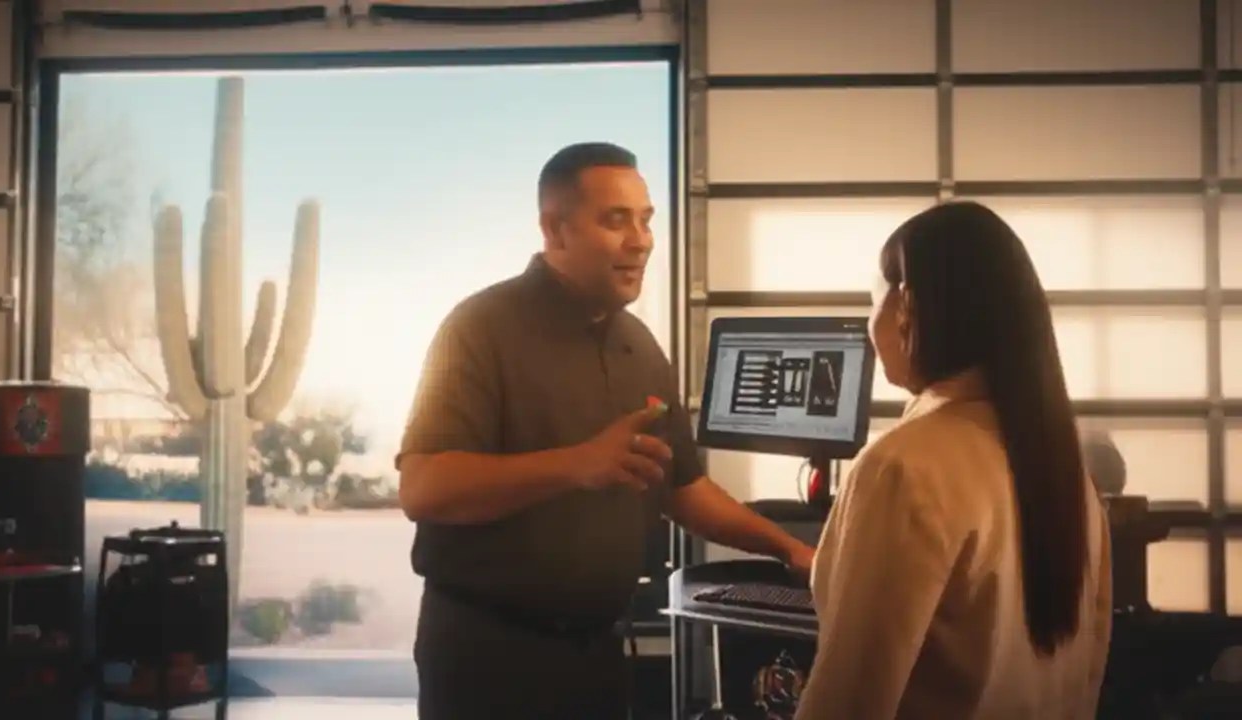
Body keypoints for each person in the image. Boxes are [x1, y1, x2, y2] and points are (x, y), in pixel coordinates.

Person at [397, 142, 815, 719]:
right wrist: (577, 463)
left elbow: (682, 488)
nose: (640, 240)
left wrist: (788, 548)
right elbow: (423, 488)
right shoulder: (478, 328)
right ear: (554, 229)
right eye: (615, 220)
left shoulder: (638, 346)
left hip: (597, 653)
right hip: (487, 657)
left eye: (645, 220)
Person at [795, 201, 1113, 719]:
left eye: (872, 298)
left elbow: (848, 701)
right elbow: (1087, 675)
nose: (868, 319)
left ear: (907, 307)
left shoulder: (903, 465)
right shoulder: (1067, 470)